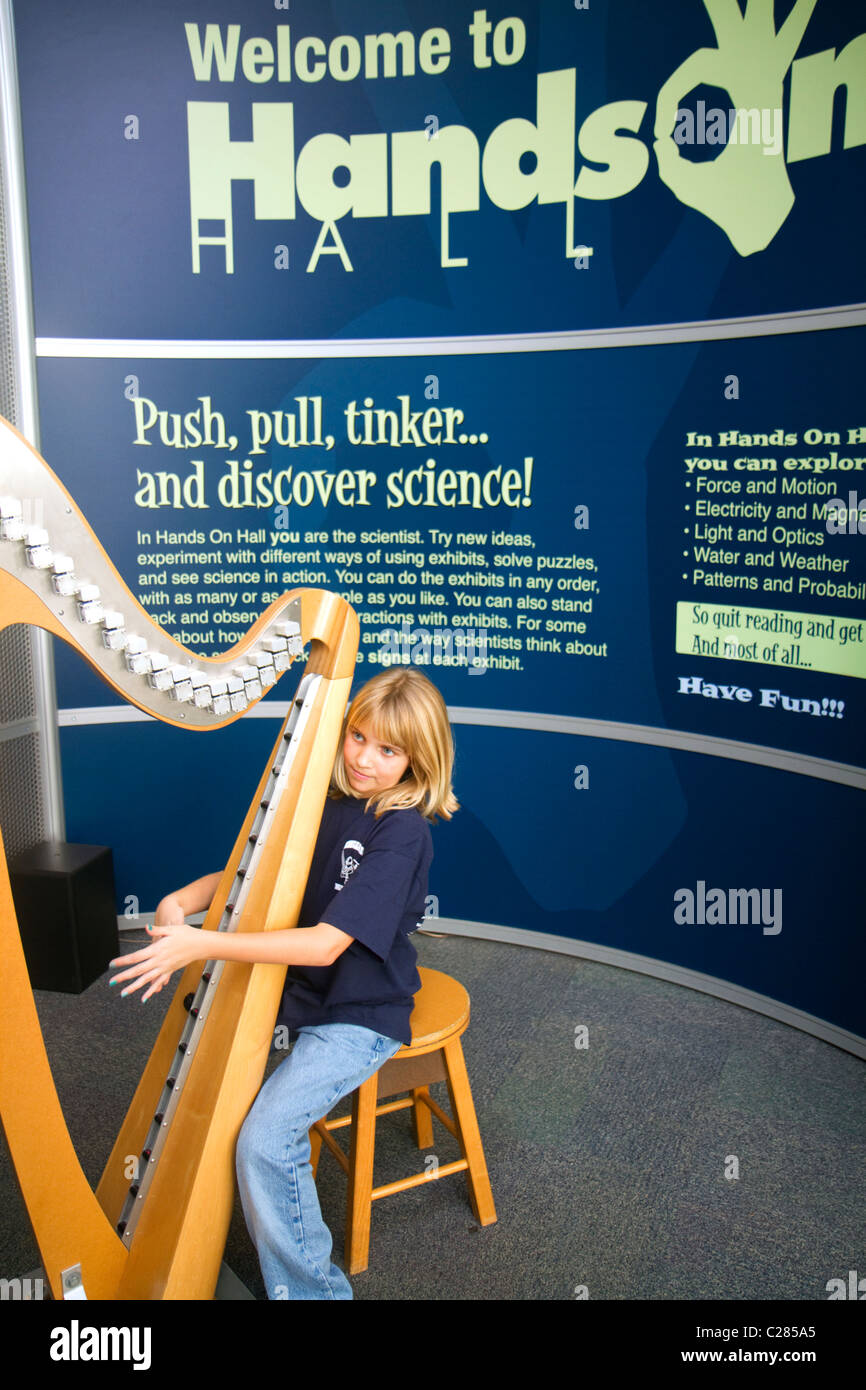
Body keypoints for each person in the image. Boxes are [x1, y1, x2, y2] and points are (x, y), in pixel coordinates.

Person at [108, 666, 458, 1300]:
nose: (364, 759)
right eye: (357, 737)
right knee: (195, 1073)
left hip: (358, 1013)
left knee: (265, 1142)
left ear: (418, 760)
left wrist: (203, 942)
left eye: (388, 750)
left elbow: (326, 945)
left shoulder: (402, 832)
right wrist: (179, 900)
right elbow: (254, 873)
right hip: (300, 994)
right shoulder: (328, 803)